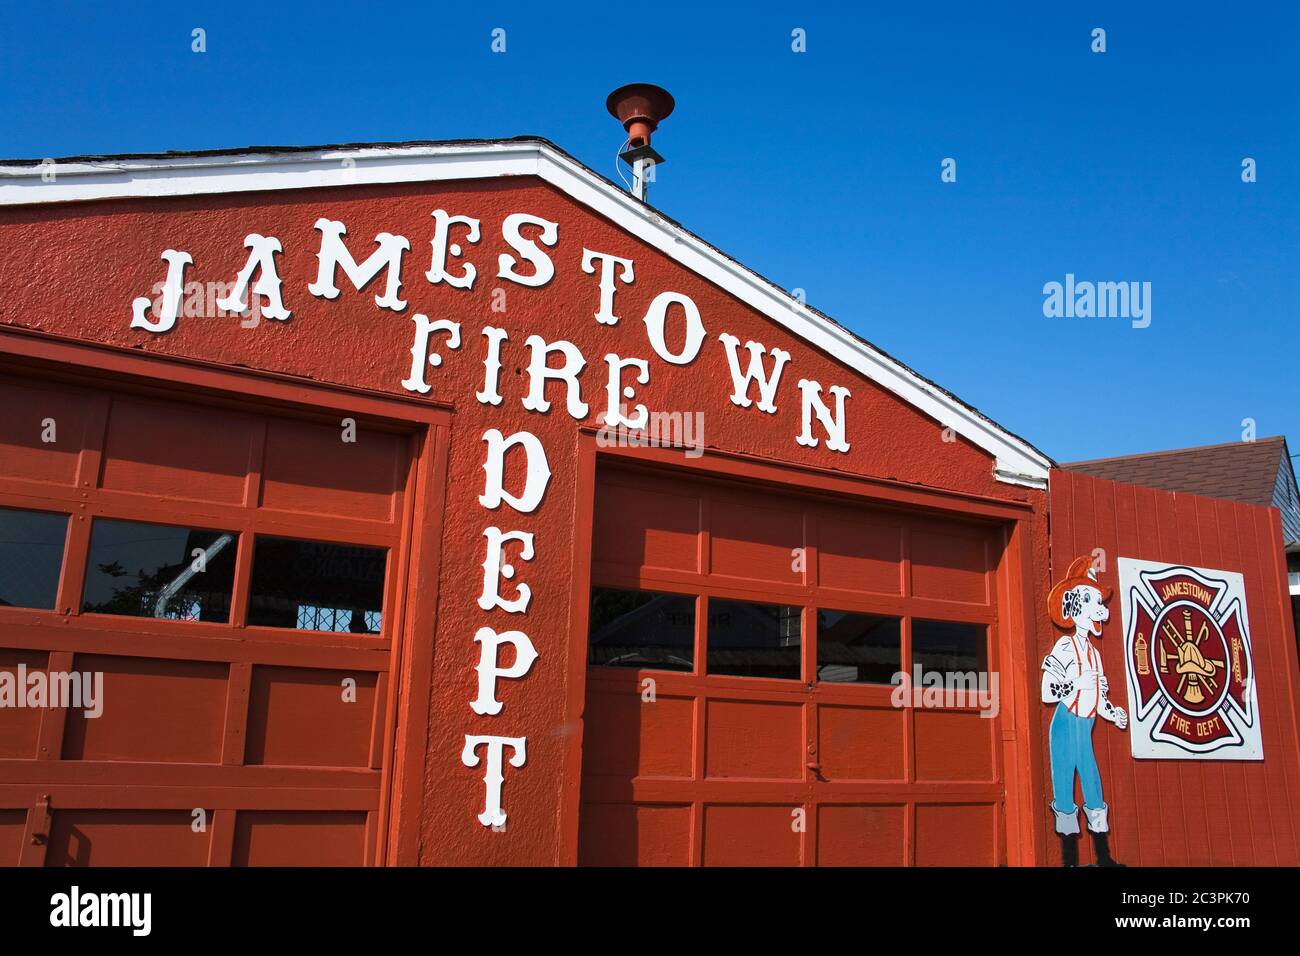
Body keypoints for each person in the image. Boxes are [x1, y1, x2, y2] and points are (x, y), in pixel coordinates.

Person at [1043, 556, 1127, 866]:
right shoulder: (1065, 648)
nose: (1100, 609)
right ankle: (1069, 861)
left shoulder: (1093, 652)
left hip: (1086, 723)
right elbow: (1047, 690)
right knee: (1065, 787)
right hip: (1066, 723)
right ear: (1076, 607)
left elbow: (1100, 695)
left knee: (1092, 782)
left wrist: (1112, 712)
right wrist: (1075, 683)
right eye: (1092, 601)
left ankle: (1103, 858)